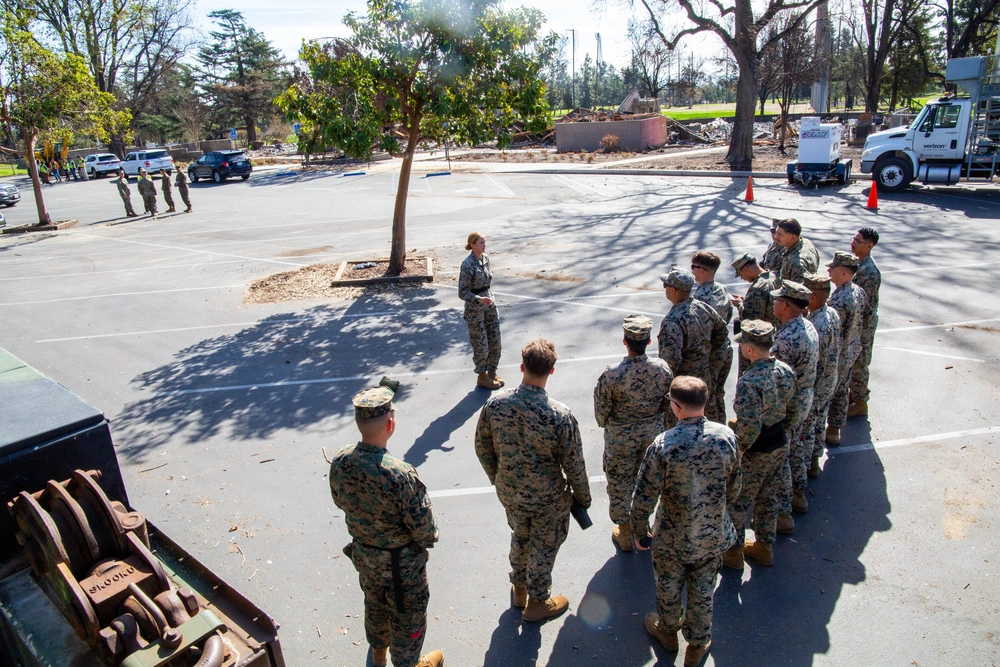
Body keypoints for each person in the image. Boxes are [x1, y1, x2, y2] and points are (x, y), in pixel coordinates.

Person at [475, 338, 590, 623]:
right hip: (548, 499)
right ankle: (538, 602)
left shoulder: (495, 406)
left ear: (521, 367)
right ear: (551, 371)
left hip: (511, 493)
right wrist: (583, 499)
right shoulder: (560, 416)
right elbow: (575, 465)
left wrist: (498, 478)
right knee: (544, 546)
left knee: (520, 536)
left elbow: (482, 447)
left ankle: (520, 588)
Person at [329, 384, 444, 667]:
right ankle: (408, 662)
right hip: (400, 567)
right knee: (408, 618)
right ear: (390, 423)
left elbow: (339, 501)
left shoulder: (341, 460)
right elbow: (426, 531)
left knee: (375, 605)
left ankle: (378, 655)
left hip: (365, 557)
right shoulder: (399, 473)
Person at [631, 376, 740, 667]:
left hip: (671, 534)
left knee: (667, 584)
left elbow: (644, 496)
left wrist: (640, 532)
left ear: (675, 406)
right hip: (711, 532)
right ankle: (697, 644)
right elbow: (736, 486)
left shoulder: (663, 445)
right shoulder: (726, 438)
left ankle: (668, 631)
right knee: (704, 588)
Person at [594, 315, 673, 552]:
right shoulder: (663, 369)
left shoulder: (612, 374)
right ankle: (643, 528)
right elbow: (667, 403)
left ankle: (625, 532)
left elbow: (601, 413)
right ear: (649, 342)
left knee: (619, 482)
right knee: (647, 480)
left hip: (620, 436)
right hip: (653, 433)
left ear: (624, 341)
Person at [723, 320, 797, 570]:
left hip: (755, 450)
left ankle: (733, 552)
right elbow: (795, 409)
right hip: (778, 442)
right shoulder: (785, 371)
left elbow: (751, 425)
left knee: (739, 500)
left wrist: (740, 449)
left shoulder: (750, 381)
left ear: (750, 349)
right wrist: (781, 430)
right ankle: (764, 546)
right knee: (768, 497)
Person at [770, 280, 819, 532]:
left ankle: (782, 513)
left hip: (789, 403)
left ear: (786, 305)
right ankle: (799, 494)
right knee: (794, 445)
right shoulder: (806, 326)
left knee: (780, 458)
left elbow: (780, 379)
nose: (774, 302)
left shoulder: (788, 337)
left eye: (777, 299)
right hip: (804, 398)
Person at [657, 267, 728, 427]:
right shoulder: (703, 308)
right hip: (703, 377)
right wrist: (706, 355)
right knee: (707, 422)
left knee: (681, 427)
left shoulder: (673, 321)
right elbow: (722, 331)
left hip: (683, 388)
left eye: (665, 286)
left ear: (673, 290)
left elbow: (670, 363)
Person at [825, 252, 868, 446]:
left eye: (832, 268)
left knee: (827, 393)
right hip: (851, 349)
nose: (828, 271)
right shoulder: (858, 291)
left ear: (843, 272)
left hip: (837, 354)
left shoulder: (839, 300)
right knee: (842, 389)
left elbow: (832, 329)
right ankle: (834, 429)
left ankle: (824, 432)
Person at [803, 273, 841, 479]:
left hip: (818, 382)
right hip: (829, 379)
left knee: (810, 426)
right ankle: (814, 461)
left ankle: (810, 464)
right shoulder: (831, 313)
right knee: (819, 421)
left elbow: (817, 361)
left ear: (812, 298)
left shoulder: (816, 325)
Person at [691, 251, 734, 424]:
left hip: (711, 354)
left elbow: (699, 330)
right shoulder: (721, 289)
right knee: (718, 394)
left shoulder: (700, 299)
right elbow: (729, 315)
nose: (692, 271)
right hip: (725, 349)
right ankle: (722, 428)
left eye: (693, 267)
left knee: (707, 398)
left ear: (702, 270)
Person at [459, 231, 503, 390]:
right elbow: (462, 292)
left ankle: (492, 372)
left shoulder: (485, 259)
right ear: (472, 245)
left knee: (495, 340)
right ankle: (482, 376)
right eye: (481, 243)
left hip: (489, 305)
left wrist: (488, 298)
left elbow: (487, 282)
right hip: (475, 310)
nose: (485, 245)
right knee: (481, 344)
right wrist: (479, 299)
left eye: (485, 242)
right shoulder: (467, 264)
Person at [848, 227, 881, 416]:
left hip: (862, 325)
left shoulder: (868, 271)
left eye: (858, 241)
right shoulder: (858, 264)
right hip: (856, 323)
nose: (853, 243)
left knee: (859, 363)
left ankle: (860, 402)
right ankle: (854, 397)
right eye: (853, 239)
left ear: (869, 246)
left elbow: (863, 304)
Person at [730, 253, 780, 376]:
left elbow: (750, 318)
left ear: (747, 269)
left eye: (741, 274)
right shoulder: (772, 277)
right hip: (770, 333)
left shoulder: (759, 288)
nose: (742, 278)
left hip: (755, 340)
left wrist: (740, 304)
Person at [773, 218, 820, 284]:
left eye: (780, 234)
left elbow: (798, 291)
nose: (776, 236)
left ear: (793, 237)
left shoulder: (797, 264)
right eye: (776, 232)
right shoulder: (806, 242)